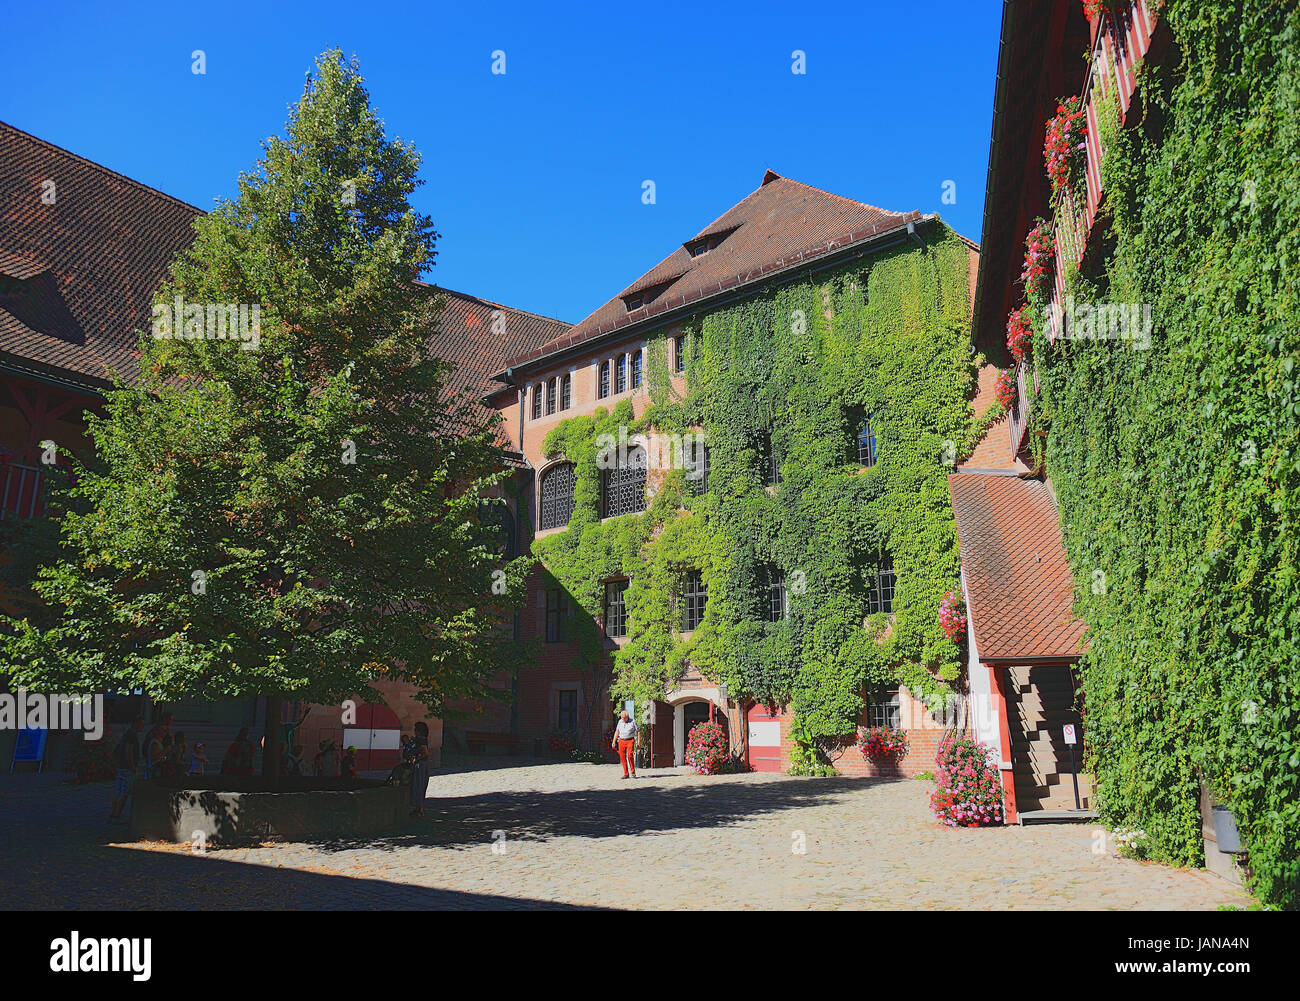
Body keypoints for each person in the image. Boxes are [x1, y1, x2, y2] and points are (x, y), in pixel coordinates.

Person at [109, 717, 144, 821]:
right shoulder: (131, 735)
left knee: (119, 791)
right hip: (127, 767)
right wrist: (132, 765)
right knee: (125, 791)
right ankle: (116, 814)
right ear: (135, 724)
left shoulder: (127, 734)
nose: (142, 727)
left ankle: (113, 813)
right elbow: (128, 750)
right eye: (141, 724)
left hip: (122, 765)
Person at [408, 722, 430, 818]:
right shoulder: (420, 739)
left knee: (419, 785)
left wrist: (416, 759)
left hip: (420, 765)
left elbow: (425, 753)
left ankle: (419, 809)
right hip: (422, 764)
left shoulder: (421, 740)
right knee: (418, 785)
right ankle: (418, 808)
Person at [611, 710, 638, 779]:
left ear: (627, 717)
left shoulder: (633, 721)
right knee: (622, 757)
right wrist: (614, 741)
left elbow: (638, 731)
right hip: (621, 741)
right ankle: (626, 773)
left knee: (629, 755)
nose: (623, 719)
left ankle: (633, 772)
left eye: (624, 718)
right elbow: (617, 731)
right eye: (622, 717)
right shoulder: (620, 721)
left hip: (630, 740)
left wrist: (639, 742)